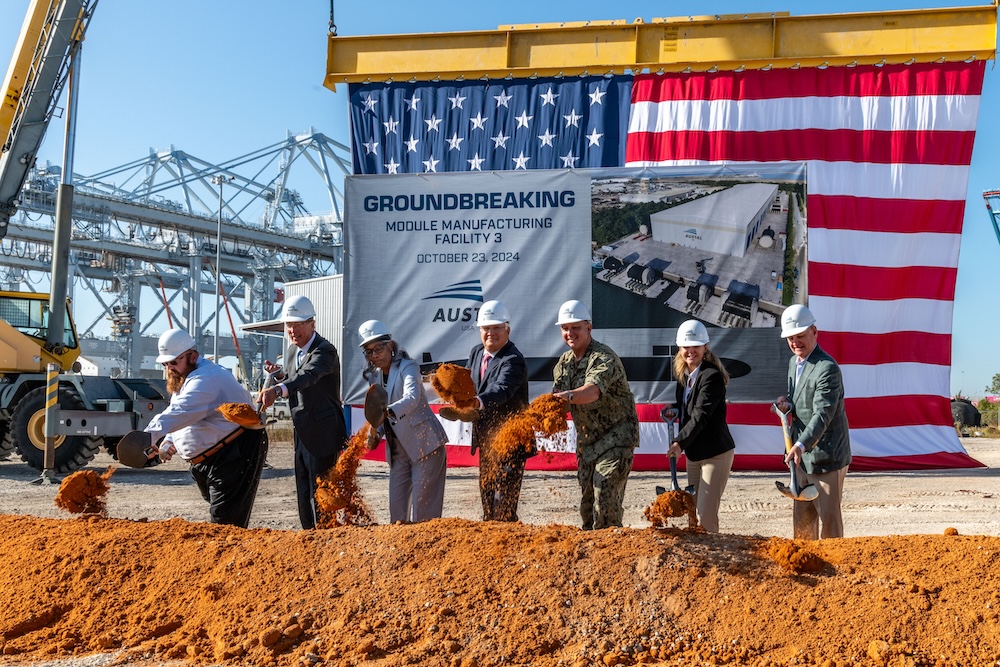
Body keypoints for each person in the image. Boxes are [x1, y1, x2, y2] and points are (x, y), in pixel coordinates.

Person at [143, 328, 268, 528]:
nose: (169, 368)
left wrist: (147, 437)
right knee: (223, 516)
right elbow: (181, 412)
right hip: (209, 459)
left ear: (193, 356)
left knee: (225, 523)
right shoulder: (185, 377)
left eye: (174, 362)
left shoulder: (207, 378)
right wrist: (169, 440)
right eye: (166, 363)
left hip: (234, 452)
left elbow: (182, 410)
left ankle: (236, 557)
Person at [258, 295, 347, 529]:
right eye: (289, 325)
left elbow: (307, 376)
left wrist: (277, 390)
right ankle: (308, 538)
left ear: (312, 323)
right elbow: (292, 378)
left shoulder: (325, 351)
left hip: (324, 434)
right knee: (303, 490)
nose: (292, 330)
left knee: (323, 494)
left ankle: (326, 539)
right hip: (302, 433)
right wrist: (279, 376)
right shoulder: (291, 352)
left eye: (298, 324)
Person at [551, 299, 640, 530]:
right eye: (565, 328)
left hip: (616, 439)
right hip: (588, 444)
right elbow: (557, 403)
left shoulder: (602, 357)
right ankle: (594, 559)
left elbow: (592, 392)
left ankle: (613, 554)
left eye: (576, 327)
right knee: (588, 508)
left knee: (605, 497)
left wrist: (568, 397)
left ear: (588, 328)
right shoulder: (564, 363)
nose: (570, 333)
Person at [441, 300, 530, 521]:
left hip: (510, 439)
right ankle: (490, 543)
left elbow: (501, 390)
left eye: (496, 328)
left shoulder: (513, 360)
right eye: (486, 328)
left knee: (504, 503)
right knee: (488, 498)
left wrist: (476, 403)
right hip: (487, 437)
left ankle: (509, 543)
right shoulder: (476, 352)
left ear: (507, 329)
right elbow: (469, 383)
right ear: (480, 329)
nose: (491, 333)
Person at [359, 319, 448, 523]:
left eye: (378, 348)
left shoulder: (408, 366)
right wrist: (377, 432)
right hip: (398, 450)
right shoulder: (375, 376)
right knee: (397, 513)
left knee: (424, 513)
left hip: (425, 445)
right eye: (369, 351)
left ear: (390, 345)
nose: (374, 355)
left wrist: (388, 412)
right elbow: (379, 410)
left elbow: (412, 397)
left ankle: (428, 552)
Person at [774, 303, 851, 540]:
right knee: (803, 518)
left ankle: (834, 567)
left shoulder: (827, 368)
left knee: (829, 521)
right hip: (801, 456)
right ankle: (806, 562)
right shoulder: (793, 363)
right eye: (790, 338)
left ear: (814, 332)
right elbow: (803, 401)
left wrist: (800, 445)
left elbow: (822, 414)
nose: (795, 342)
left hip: (826, 456)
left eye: (800, 336)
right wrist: (787, 403)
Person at [662, 320, 735, 533]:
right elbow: (689, 407)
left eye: (695, 346)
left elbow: (701, 414)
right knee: (692, 512)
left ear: (705, 347)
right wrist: (674, 409)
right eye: (686, 346)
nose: (690, 351)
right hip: (695, 454)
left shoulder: (711, 376)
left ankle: (714, 559)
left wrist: (679, 443)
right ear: (680, 349)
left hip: (715, 453)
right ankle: (700, 559)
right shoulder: (684, 376)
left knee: (706, 514)